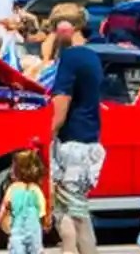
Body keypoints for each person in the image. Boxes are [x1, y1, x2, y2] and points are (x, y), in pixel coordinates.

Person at [50, 17, 105, 254]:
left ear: (67, 29)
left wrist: (45, 136)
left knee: (69, 213)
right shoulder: (92, 56)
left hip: (72, 144)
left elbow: (60, 108)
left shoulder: (70, 58)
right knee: (78, 210)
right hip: (90, 142)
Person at [0, 148, 49, 253]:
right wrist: (46, 224)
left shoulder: (13, 189)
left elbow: (2, 210)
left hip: (17, 233)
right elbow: (42, 213)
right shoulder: (36, 190)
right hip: (34, 233)